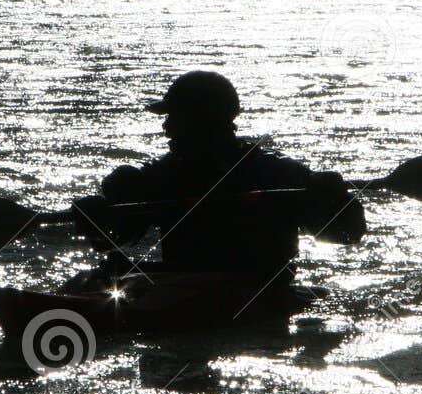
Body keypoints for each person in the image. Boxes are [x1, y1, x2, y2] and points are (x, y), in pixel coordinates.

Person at [71, 71, 366, 280]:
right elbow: (114, 236)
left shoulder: (275, 172)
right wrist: (97, 213)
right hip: (182, 286)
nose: (167, 128)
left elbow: (347, 234)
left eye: (175, 118)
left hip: (260, 291)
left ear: (202, 121)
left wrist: (337, 201)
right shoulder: (161, 176)